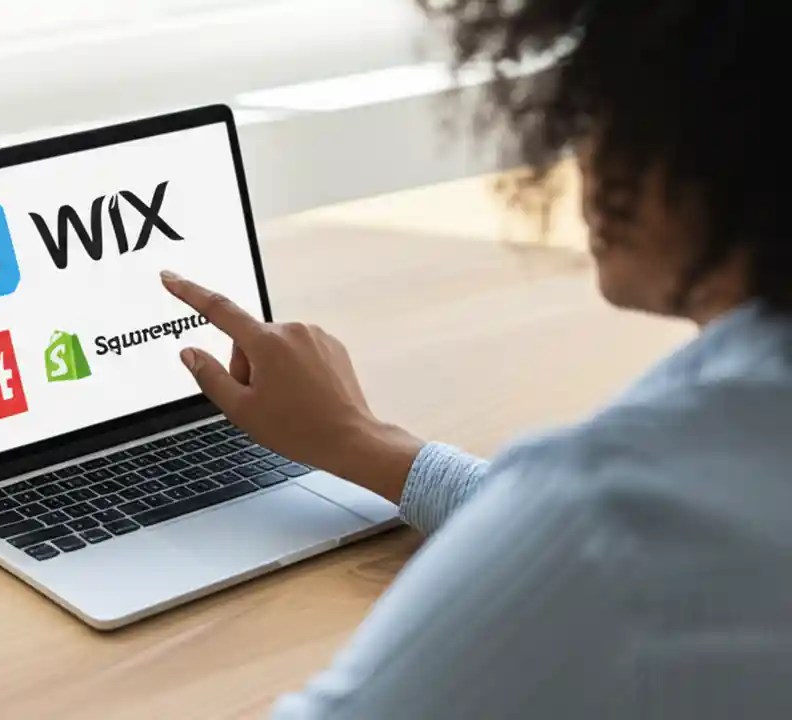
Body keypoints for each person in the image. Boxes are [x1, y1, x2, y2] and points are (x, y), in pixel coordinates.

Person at [161, 1, 792, 718]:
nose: (581, 147)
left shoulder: (610, 518)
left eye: (611, 102)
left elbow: (596, 539)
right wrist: (365, 444)